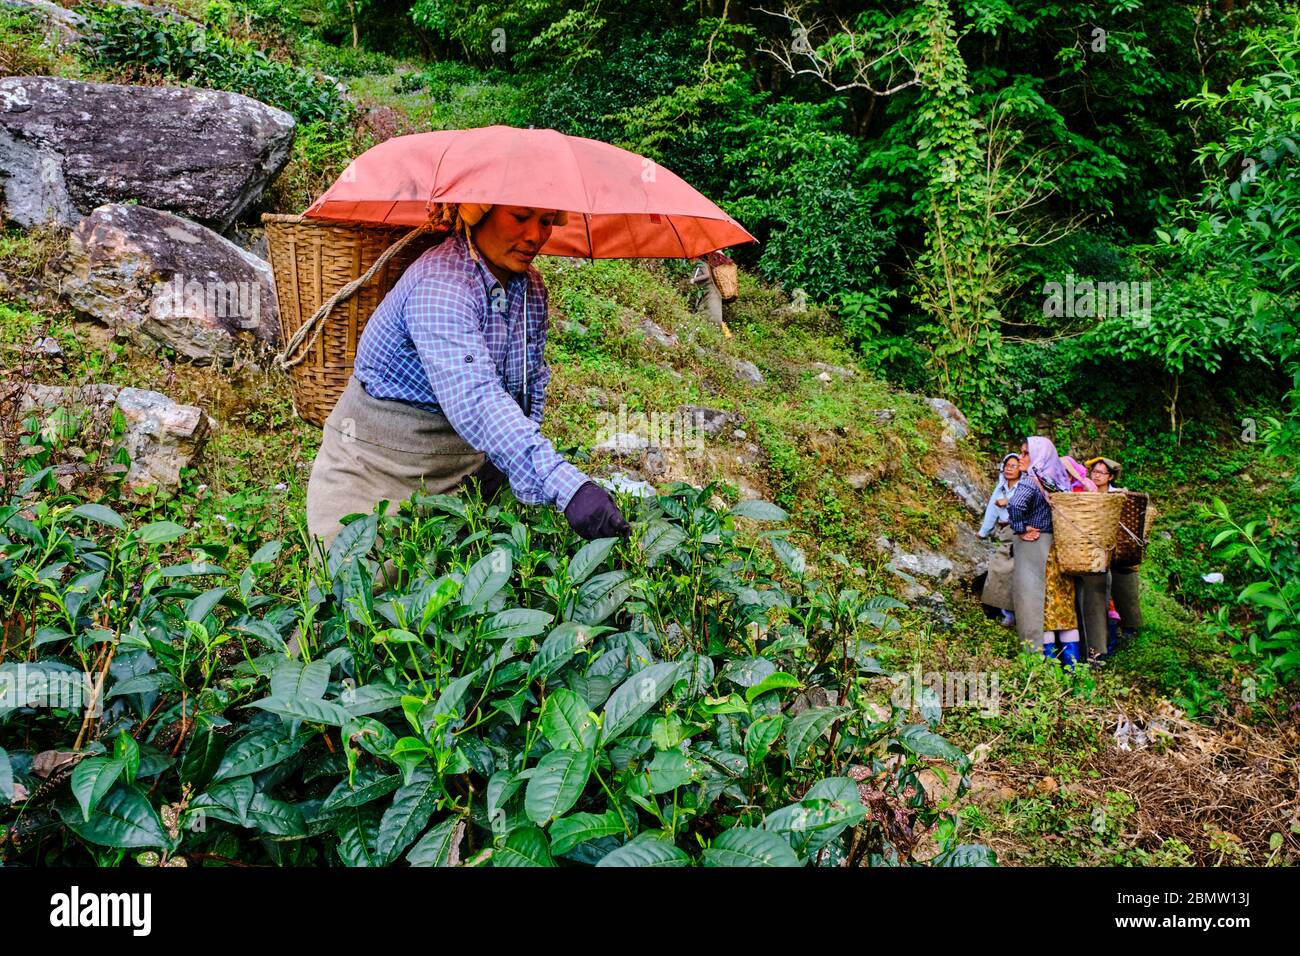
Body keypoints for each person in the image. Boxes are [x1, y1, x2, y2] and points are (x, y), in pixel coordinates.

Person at [305, 203, 631, 552]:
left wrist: (514, 463)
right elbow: (478, 398)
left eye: (547, 222)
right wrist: (567, 487)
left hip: (464, 473)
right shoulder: (442, 286)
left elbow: (529, 384)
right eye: (520, 218)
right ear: (479, 215)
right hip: (377, 472)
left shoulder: (530, 289)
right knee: (360, 589)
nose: (535, 235)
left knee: (467, 586)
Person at [1007, 436, 1082, 665]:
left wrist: (1020, 528)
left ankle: (1044, 668)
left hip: (1036, 550)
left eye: (1025, 453)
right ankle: (1073, 669)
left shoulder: (1031, 480)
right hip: (1058, 552)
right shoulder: (1057, 482)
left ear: (1039, 455)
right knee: (1064, 610)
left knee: (1037, 609)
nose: (1021, 458)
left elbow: (1015, 505)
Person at [1084, 456, 1142, 651]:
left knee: (1124, 583)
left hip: (1116, 546)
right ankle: (1105, 634)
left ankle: (1129, 627)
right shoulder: (1085, 493)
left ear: (1110, 477)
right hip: (1093, 547)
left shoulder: (1118, 494)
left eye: (1101, 472)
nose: (1096, 475)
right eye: (1094, 472)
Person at [978, 452, 1021, 625]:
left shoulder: (1024, 487)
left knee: (1008, 570)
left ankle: (1009, 612)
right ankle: (998, 610)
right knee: (997, 568)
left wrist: (1008, 502)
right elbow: (992, 511)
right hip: (1004, 532)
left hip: (1018, 531)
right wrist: (984, 531)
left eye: (1013, 466)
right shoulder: (1000, 488)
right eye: (1007, 466)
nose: (1009, 469)